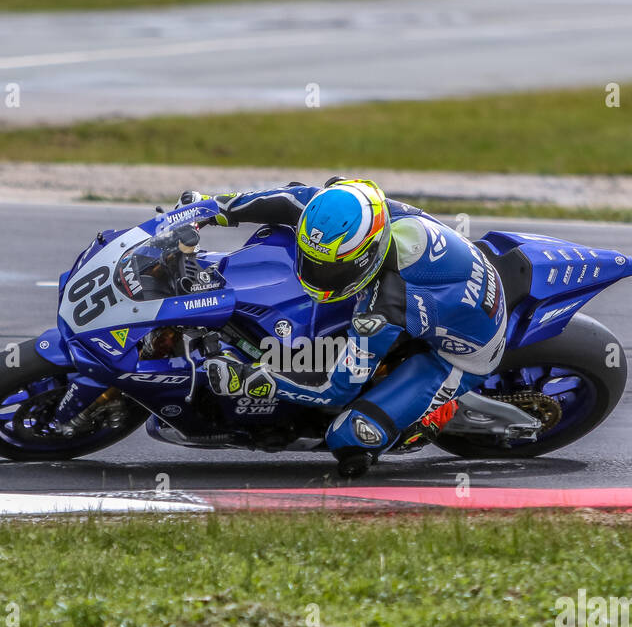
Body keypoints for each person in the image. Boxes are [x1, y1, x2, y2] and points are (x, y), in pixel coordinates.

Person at [184, 178, 506, 478]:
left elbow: (335, 387)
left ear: (367, 257)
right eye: (312, 261)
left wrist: (248, 377)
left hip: (461, 354)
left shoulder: (387, 307)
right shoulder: (357, 210)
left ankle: (432, 415)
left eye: (331, 269)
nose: (315, 274)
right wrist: (211, 209)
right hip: (450, 285)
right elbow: (288, 200)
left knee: (349, 437)